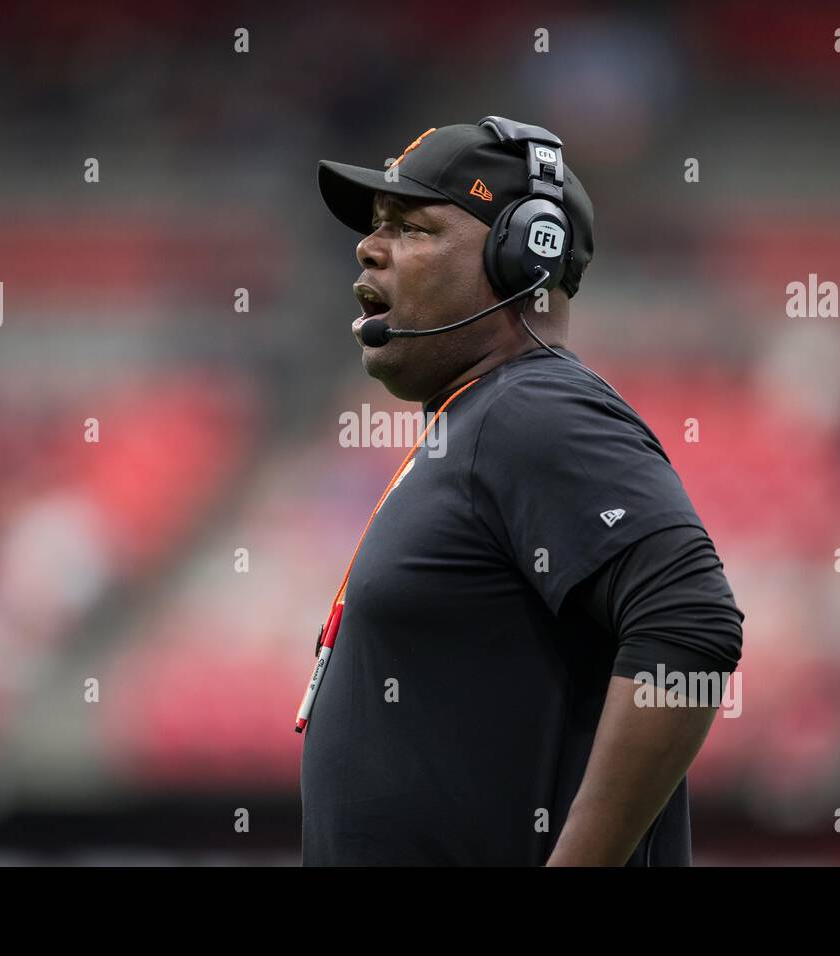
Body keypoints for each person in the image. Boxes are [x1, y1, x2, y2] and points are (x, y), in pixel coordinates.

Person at [299, 117, 744, 866]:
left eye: (410, 227)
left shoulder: (531, 410)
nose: (369, 248)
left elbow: (691, 625)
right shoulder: (479, 420)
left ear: (523, 254)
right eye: (376, 227)